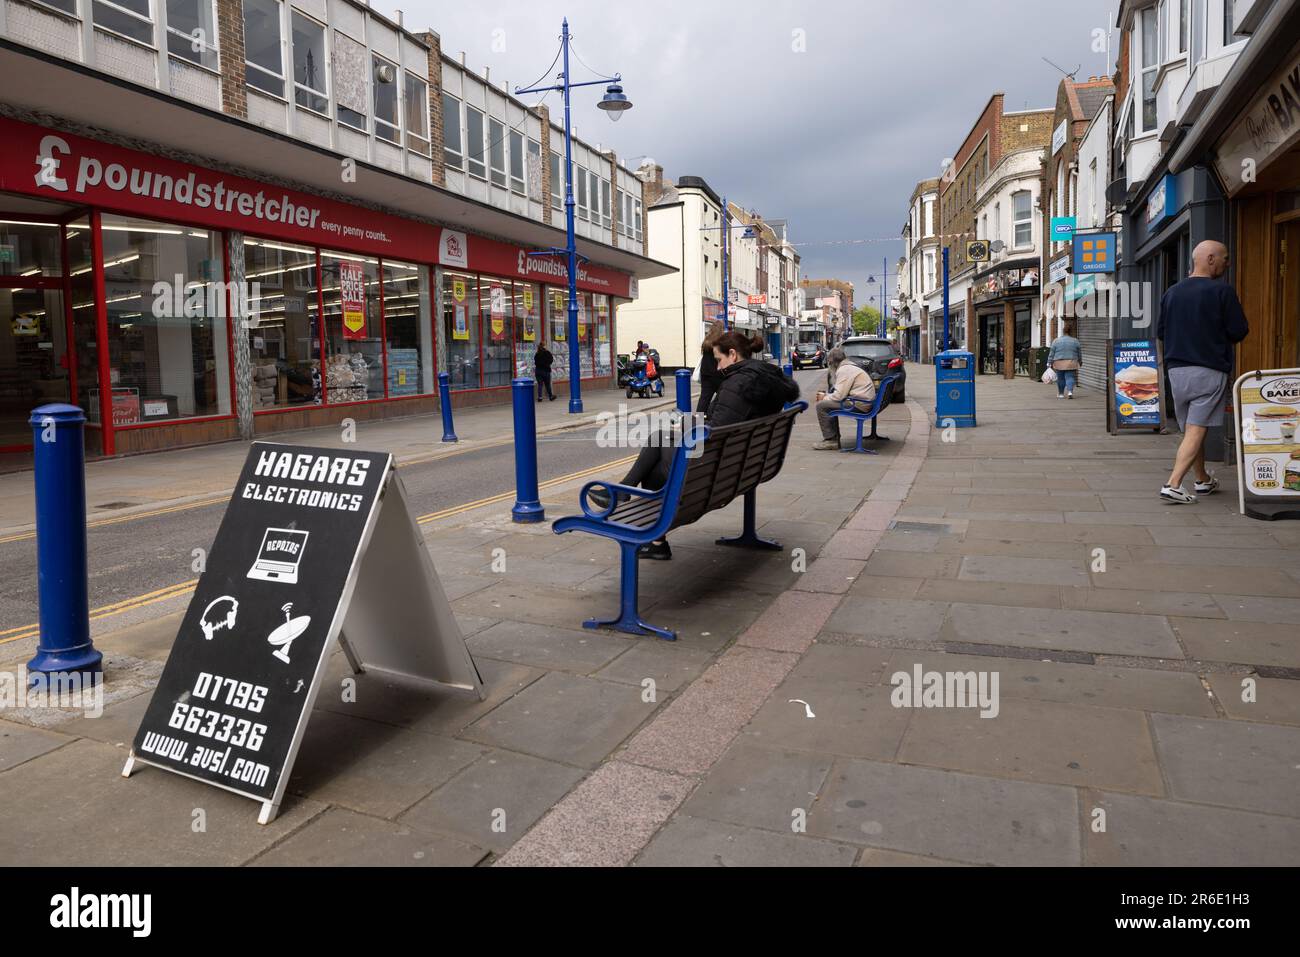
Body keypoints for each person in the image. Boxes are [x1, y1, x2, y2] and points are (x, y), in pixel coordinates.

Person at [589, 330, 798, 560]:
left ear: (733, 354)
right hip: (746, 464)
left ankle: (643, 522)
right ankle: (630, 504)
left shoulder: (738, 383)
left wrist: (687, 429)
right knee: (662, 440)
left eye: (719, 360)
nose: (718, 368)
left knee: (657, 448)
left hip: (712, 471)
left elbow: (713, 432)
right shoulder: (768, 379)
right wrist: (688, 426)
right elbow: (730, 422)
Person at [1157, 240, 1249, 504]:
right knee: (1197, 429)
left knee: (1191, 429)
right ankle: (1173, 483)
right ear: (1210, 259)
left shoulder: (1171, 293)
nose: (1227, 263)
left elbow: (1161, 332)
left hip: (1176, 371)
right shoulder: (1222, 292)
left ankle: (1202, 479)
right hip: (1208, 370)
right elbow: (1239, 331)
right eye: (1224, 257)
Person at [812, 347, 876, 450]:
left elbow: (839, 396)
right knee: (828, 404)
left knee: (821, 406)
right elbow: (841, 394)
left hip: (859, 404)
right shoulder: (849, 366)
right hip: (863, 402)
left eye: (829, 362)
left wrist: (824, 397)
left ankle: (831, 440)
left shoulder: (844, 370)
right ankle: (833, 438)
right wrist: (827, 396)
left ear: (831, 361)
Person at [1046, 321, 1083, 399]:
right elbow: (1079, 353)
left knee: (1060, 378)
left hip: (1059, 362)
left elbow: (1052, 353)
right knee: (1070, 377)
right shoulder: (1075, 341)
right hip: (1071, 362)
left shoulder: (1056, 341)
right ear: (1071, 332)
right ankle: (1070, 392)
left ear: (1063, 331)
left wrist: (1049, 362)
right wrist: (1080, 361)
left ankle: (1061, 394)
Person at [697, 321, 726, 413]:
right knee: (724, 397)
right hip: (718, 373)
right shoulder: (721, 341)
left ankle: (698, 420)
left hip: (705, 373)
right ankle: (718, 416)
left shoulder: (706, 341)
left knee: (704, 398)